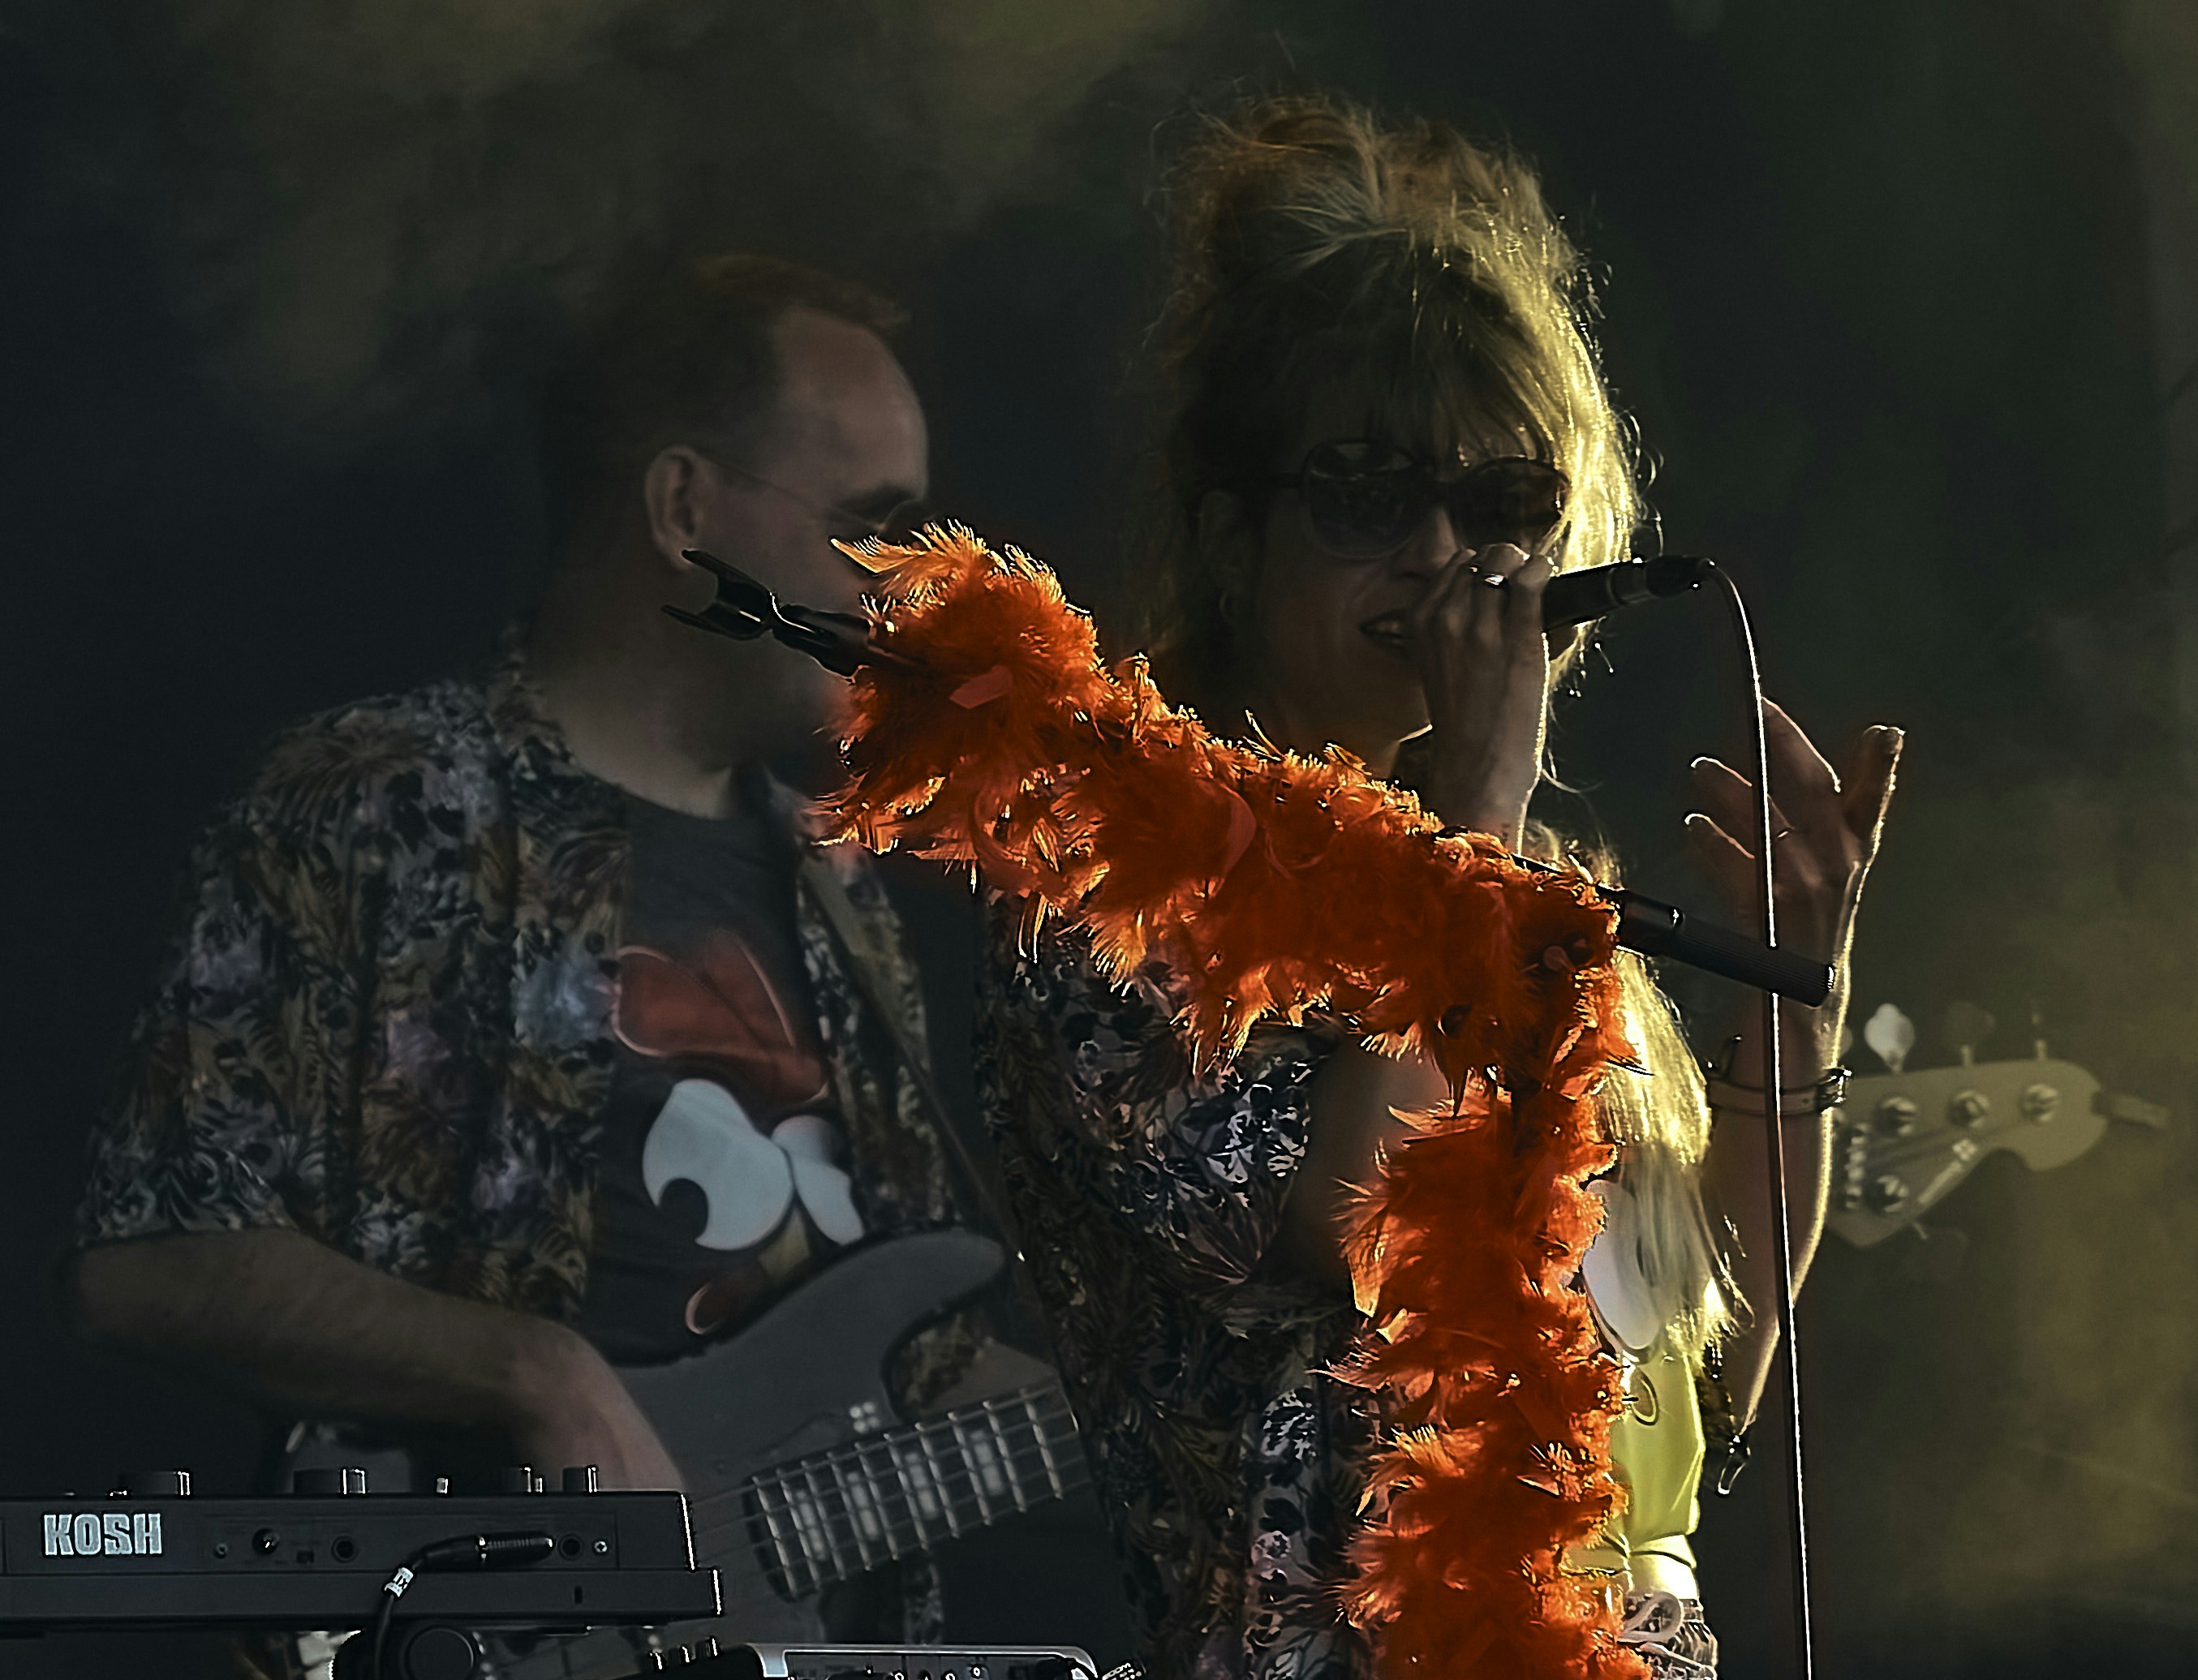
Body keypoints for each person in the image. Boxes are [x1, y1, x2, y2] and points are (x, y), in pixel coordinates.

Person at [975, 96, 1902, 1680]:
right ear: (1227, 518)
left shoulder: (1535, 901)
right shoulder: (1119, 882)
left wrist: (1780, 997)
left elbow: (1704, 1364)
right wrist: (1468, 823)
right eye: (1363, 494)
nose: (1442, 560)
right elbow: (1353, 1225)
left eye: (1500, 509)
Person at [66, 251, 996, 1650]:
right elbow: (145, 1260)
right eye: (871, 524)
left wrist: (1253, 1402)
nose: (915, 588)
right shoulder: (372, 798)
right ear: (684, 509)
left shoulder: (841, 883)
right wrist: (528, 1370)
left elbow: (918, 1371)